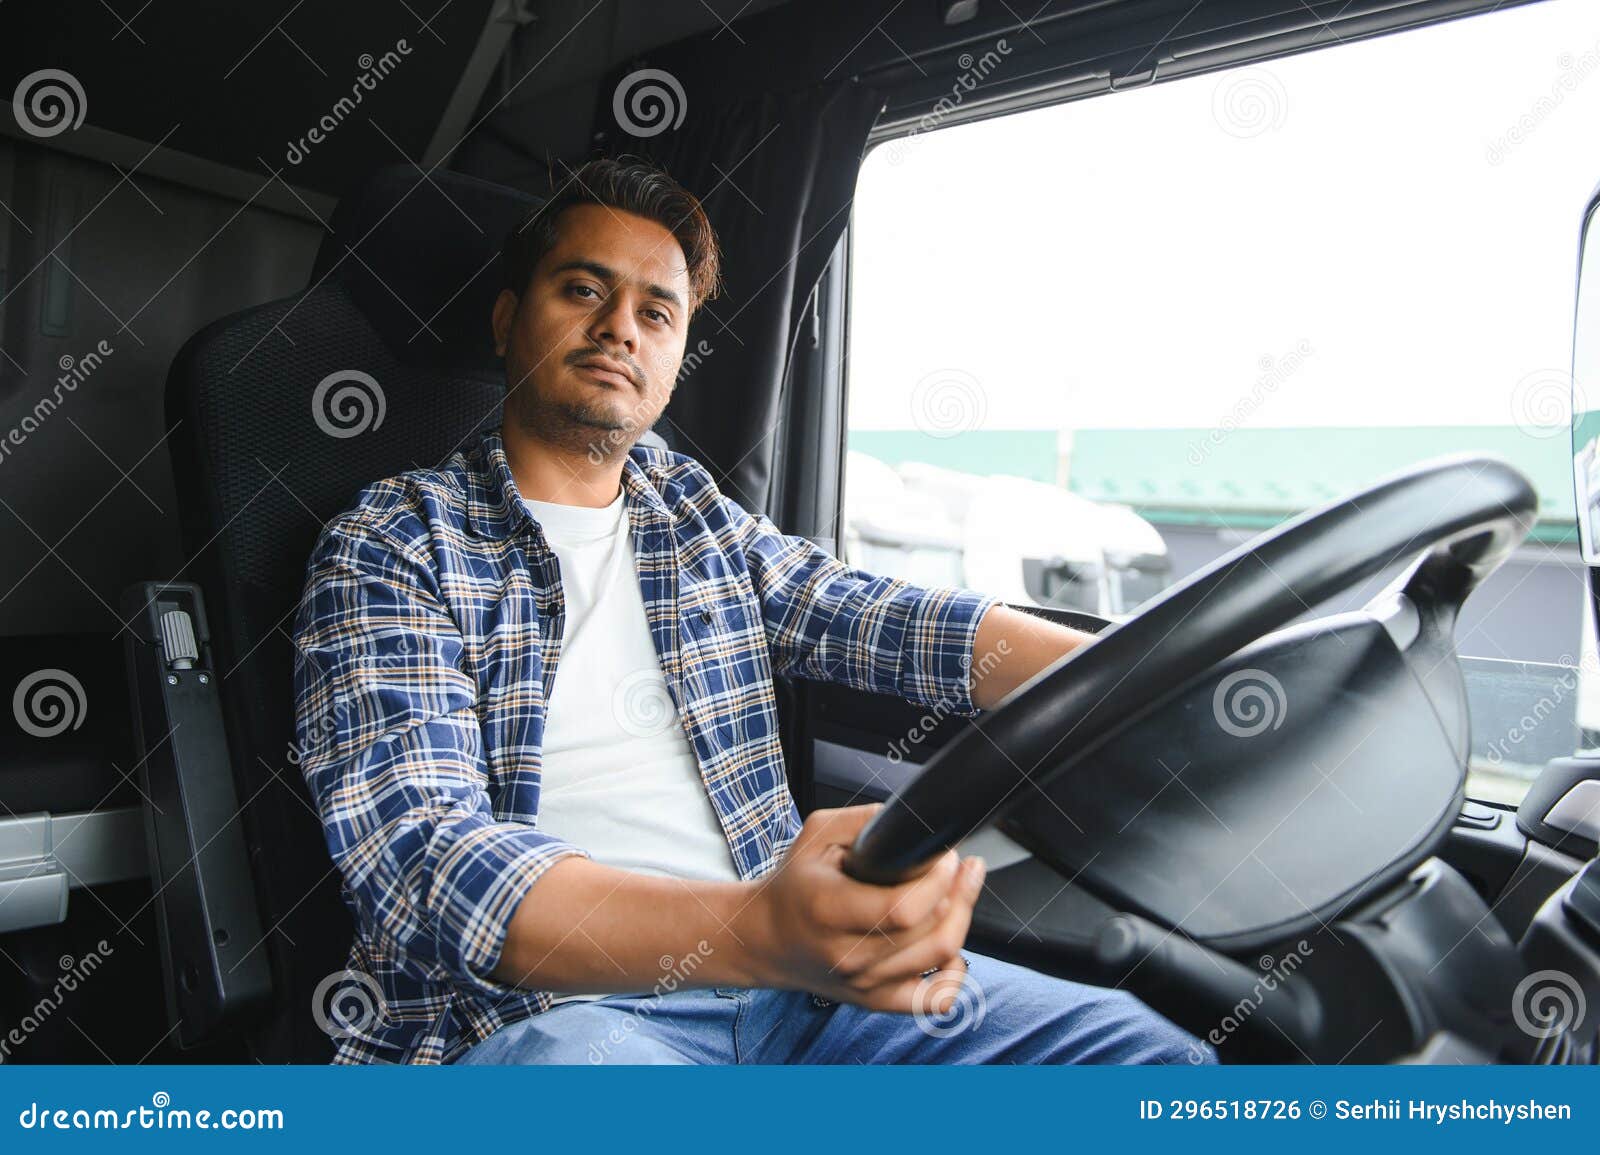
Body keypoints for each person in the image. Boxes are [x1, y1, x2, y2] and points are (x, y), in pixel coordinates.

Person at [290, 156, 1213, 1066]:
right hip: (557, 1019)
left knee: (1147, 1061)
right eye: (582, 289)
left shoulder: (689, 515)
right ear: (507, 318)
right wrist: (761, 928)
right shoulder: (396, 541)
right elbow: (429, 866)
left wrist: (1144, 674)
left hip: (802, 998)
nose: (620, 328)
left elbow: (877, 617)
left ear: (676, 357)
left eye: (657, 312)